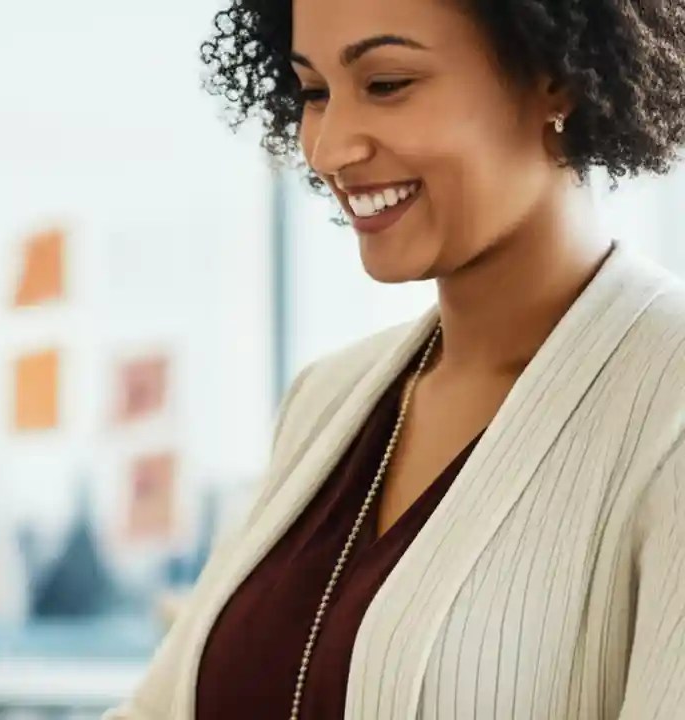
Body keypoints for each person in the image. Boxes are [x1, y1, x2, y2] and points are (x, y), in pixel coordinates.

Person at [107, 0, 685, 718]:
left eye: (385, 84)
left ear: (555, 79)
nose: (328, 147)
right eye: (315, 93)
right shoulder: (326, 398)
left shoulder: (668, 401)